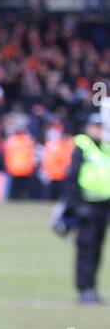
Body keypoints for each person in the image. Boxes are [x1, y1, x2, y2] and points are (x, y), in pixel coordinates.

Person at [60, 112, 110, 304]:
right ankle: (84, 289)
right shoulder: (82, 146)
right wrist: (76, 205)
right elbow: (72, 177)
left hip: (104, 206)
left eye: (100, 127)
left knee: (98, 248)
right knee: (86, 247)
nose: (97, 130)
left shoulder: (105, 148)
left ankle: (93, 289)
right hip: (87, 205)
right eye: (94, 126)